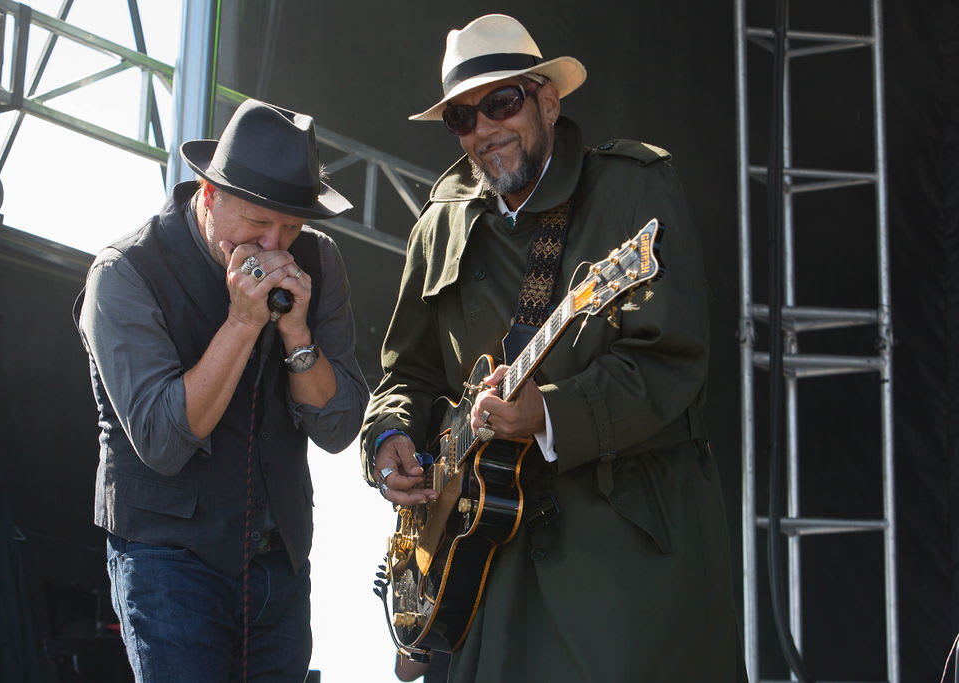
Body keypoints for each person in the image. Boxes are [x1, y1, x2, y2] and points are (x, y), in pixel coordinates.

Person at [361, 14, 747, 683]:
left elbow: (671, 361)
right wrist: (388, 434)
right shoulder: (439, 224)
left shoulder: (631, 188)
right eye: (461, 117)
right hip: (481, 567)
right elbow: (407, 371)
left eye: (501, 102)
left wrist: (547, 414)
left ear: (548, 99)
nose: (483, 129)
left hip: (621, 564)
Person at [75, 98, 368, 682]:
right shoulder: (124, 274)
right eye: (257, 223)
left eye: (291, 226)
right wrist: (240, 324)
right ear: (209, 196)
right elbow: (163, 440)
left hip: (277, 557)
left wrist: (295, 333)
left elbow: (337, 427)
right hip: (169, 556)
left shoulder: (319, 261)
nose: (274, 244)